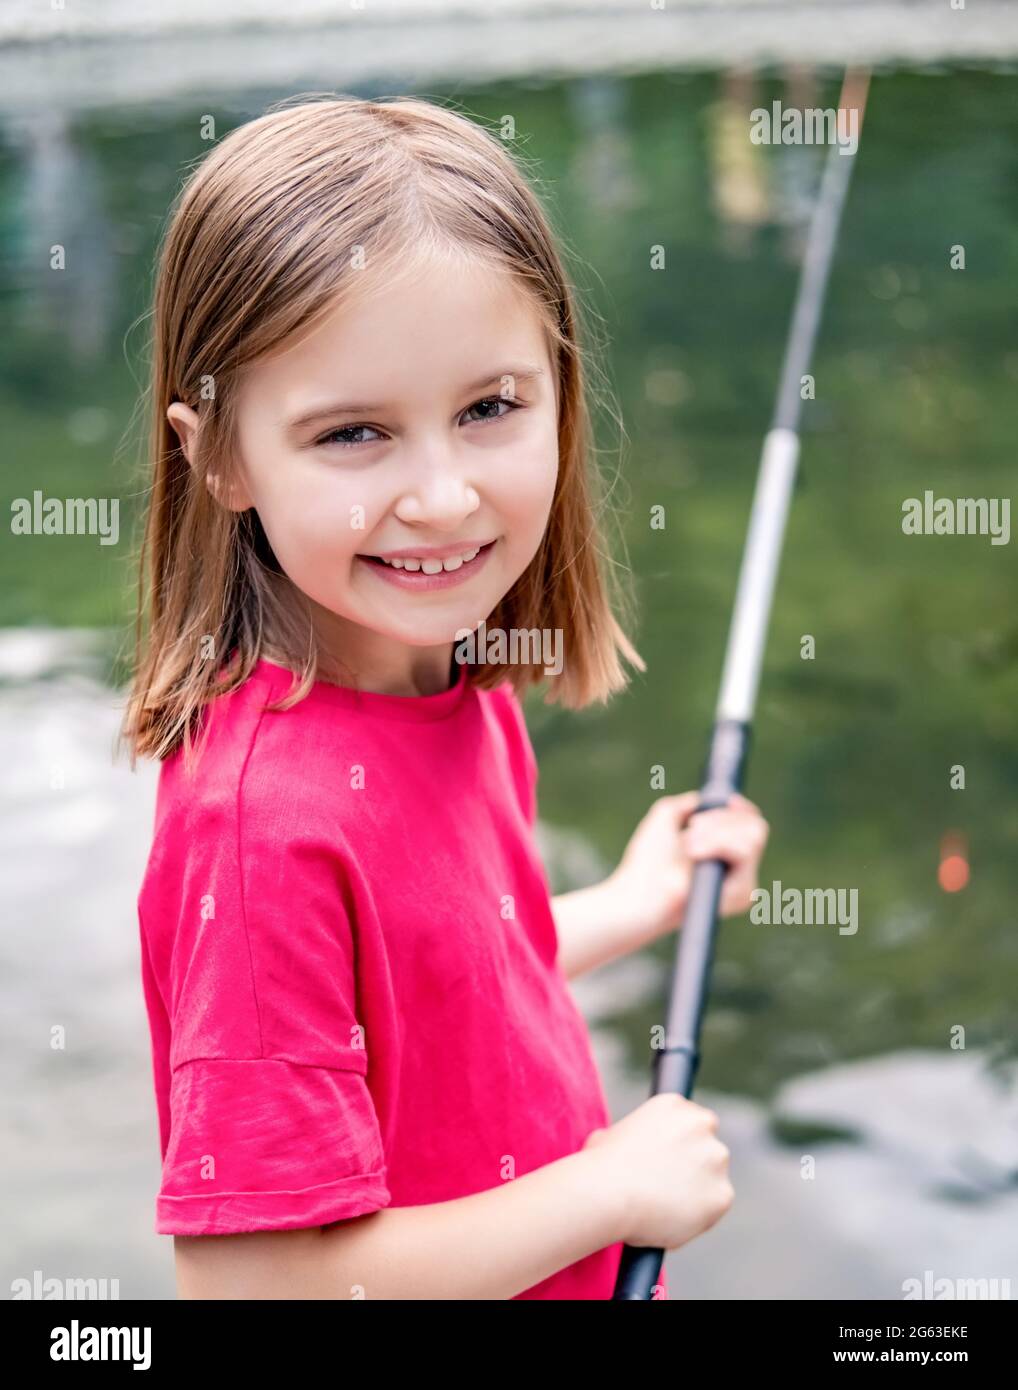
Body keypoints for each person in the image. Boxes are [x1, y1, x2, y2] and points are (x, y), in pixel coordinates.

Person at [121, 94, 769, 1300]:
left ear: (561, 392)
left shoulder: (448, 676)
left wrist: (636, 900)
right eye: (354, 432)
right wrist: (609, 1190)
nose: (441, 497)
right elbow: (256, 1284)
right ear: (217, 455)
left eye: (488, 408)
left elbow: (447, 984)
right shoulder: (261, 829)